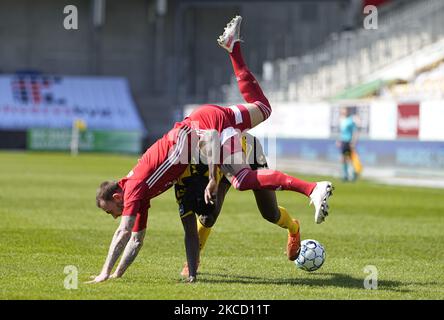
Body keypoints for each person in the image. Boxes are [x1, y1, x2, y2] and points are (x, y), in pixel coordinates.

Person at [88, 16, 333, 284]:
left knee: (255, 198)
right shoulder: (149, 187)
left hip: (232, 143)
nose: (112, 216)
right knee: (262, 111)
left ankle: (306, 200)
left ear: (117, 196)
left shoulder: (142, 182)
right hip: (213, 132)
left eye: (109, 210)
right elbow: (140, 237)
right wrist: (114, 275)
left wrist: (214, 179)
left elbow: (209, 141)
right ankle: (233, 48)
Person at [178, 133, 299, 281]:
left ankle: (294, 228)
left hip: (249, 152)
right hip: (222, 164)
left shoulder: (209, 142)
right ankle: (193, 260)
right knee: (208, 215)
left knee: (270, 213)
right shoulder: (195, 156)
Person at [337, 107, 359, 181]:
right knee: (343, 159)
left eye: (344, 111)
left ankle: (352, 175)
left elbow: (354, 131)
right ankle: (345, 175)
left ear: (347, 112)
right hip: (343, 141)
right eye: (342, 111)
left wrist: (353, 142)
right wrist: (339, 140)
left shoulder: (350, 121)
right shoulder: (341, 120)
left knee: (349, 158)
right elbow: (341, 132)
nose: (343, 112)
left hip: (348, 141)